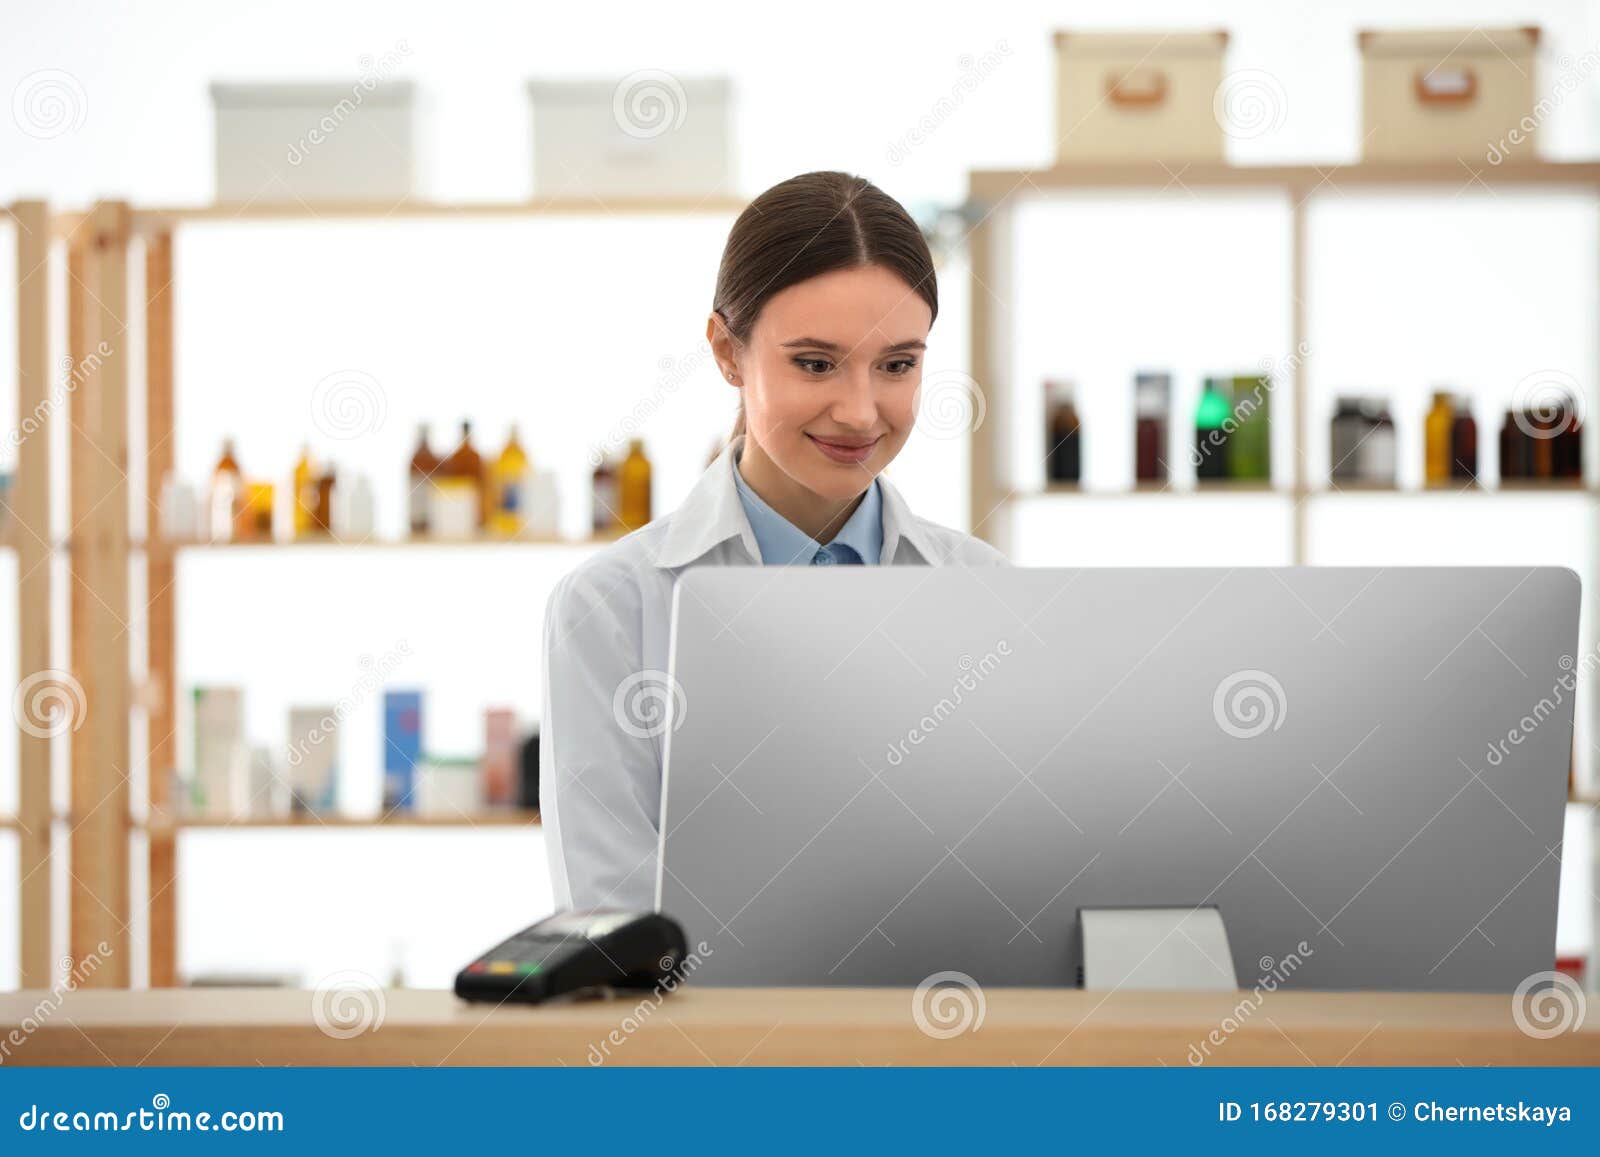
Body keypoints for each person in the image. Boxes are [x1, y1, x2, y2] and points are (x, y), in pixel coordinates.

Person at [542, 170, 1009, 911]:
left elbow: (1012, 866)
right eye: (816, 363)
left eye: (897, 365)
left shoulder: (984, 589)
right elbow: (611, 909)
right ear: (728, 352)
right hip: (700, 1027)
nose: (859, 412)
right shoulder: (613, 606)